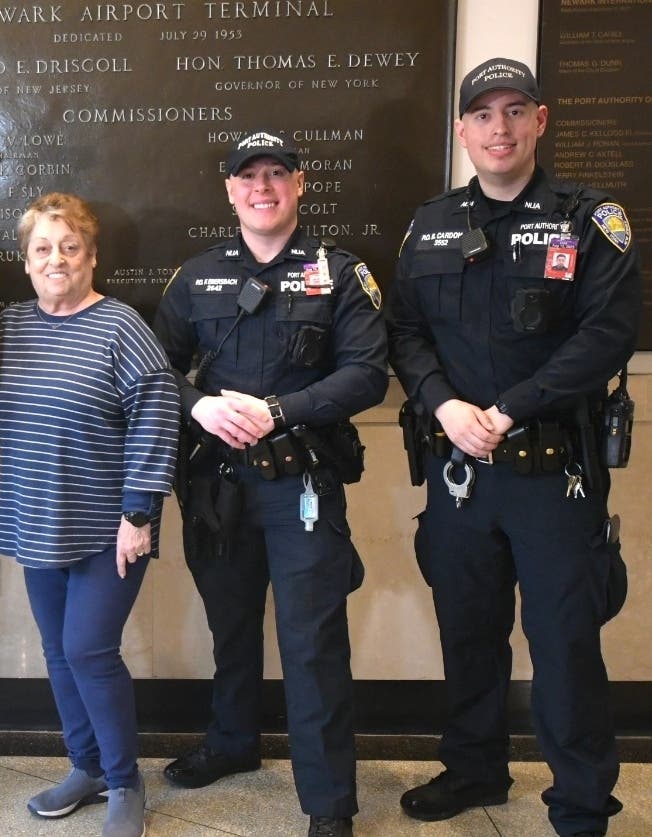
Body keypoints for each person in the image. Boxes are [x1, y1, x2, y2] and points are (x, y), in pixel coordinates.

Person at [388, 58, 640, 837]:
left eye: (514, 111)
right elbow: (405, 331)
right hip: (460, 470)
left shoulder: (590, 219)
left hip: (552, 473)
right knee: (468, 628)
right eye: (483, 114)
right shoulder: (428, 225)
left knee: (565, 644)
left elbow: (606, 335)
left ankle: (581, 803)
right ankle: (474, 767)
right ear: (462, 131)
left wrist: (505, 409)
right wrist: (443, 403)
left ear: (540, 120)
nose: (499, 127)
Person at [152, 133, 388, 837]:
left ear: (299, 183)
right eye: (247, 176)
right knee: (230, 626)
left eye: (276, 174)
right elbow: (153, 367)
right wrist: (197, 404)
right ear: (229, 190)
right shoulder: (195, 277)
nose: (262, 186)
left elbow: (367, 373)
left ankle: (329, 801)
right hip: (218, 488)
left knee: (313, 641)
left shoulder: (340, 273)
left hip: (300, 486)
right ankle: (232, 741)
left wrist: (278, 410)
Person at [0, 193, 178, 837]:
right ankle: (86, 766)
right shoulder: (10, 326)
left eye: (69, 247)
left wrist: (140, 513)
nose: (57, 259)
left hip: (111, 526)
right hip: (35, 519)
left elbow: (157, 418)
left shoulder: (122, 326)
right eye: (43, 248)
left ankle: (125, 782)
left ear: (91, 256)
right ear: (25, 260)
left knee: (89, 649)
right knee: (57, 650)